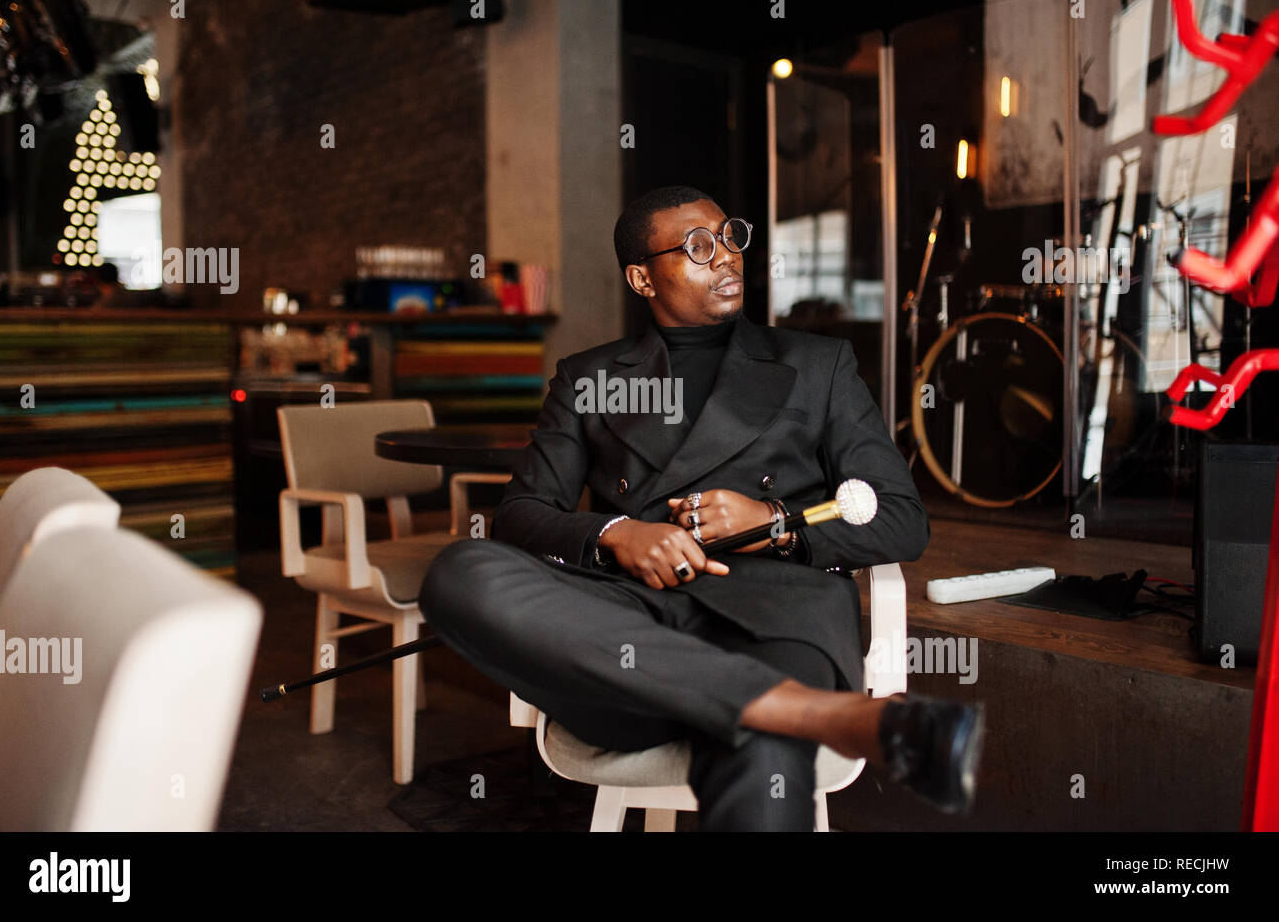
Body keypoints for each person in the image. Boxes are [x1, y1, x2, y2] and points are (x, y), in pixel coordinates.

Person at [420, 185, 984, 830]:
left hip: (778, 620)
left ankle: (768, 710)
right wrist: (617, 532)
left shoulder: (815, 363)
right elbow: (521, 513)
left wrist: (774, 526)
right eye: (696, 246)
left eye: (730, 237)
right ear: (641, 277)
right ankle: (808, 713)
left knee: (761, 752)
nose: (726, 258)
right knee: (460, 570)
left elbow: (902, 519)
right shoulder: (588, 378)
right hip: (628, 630)